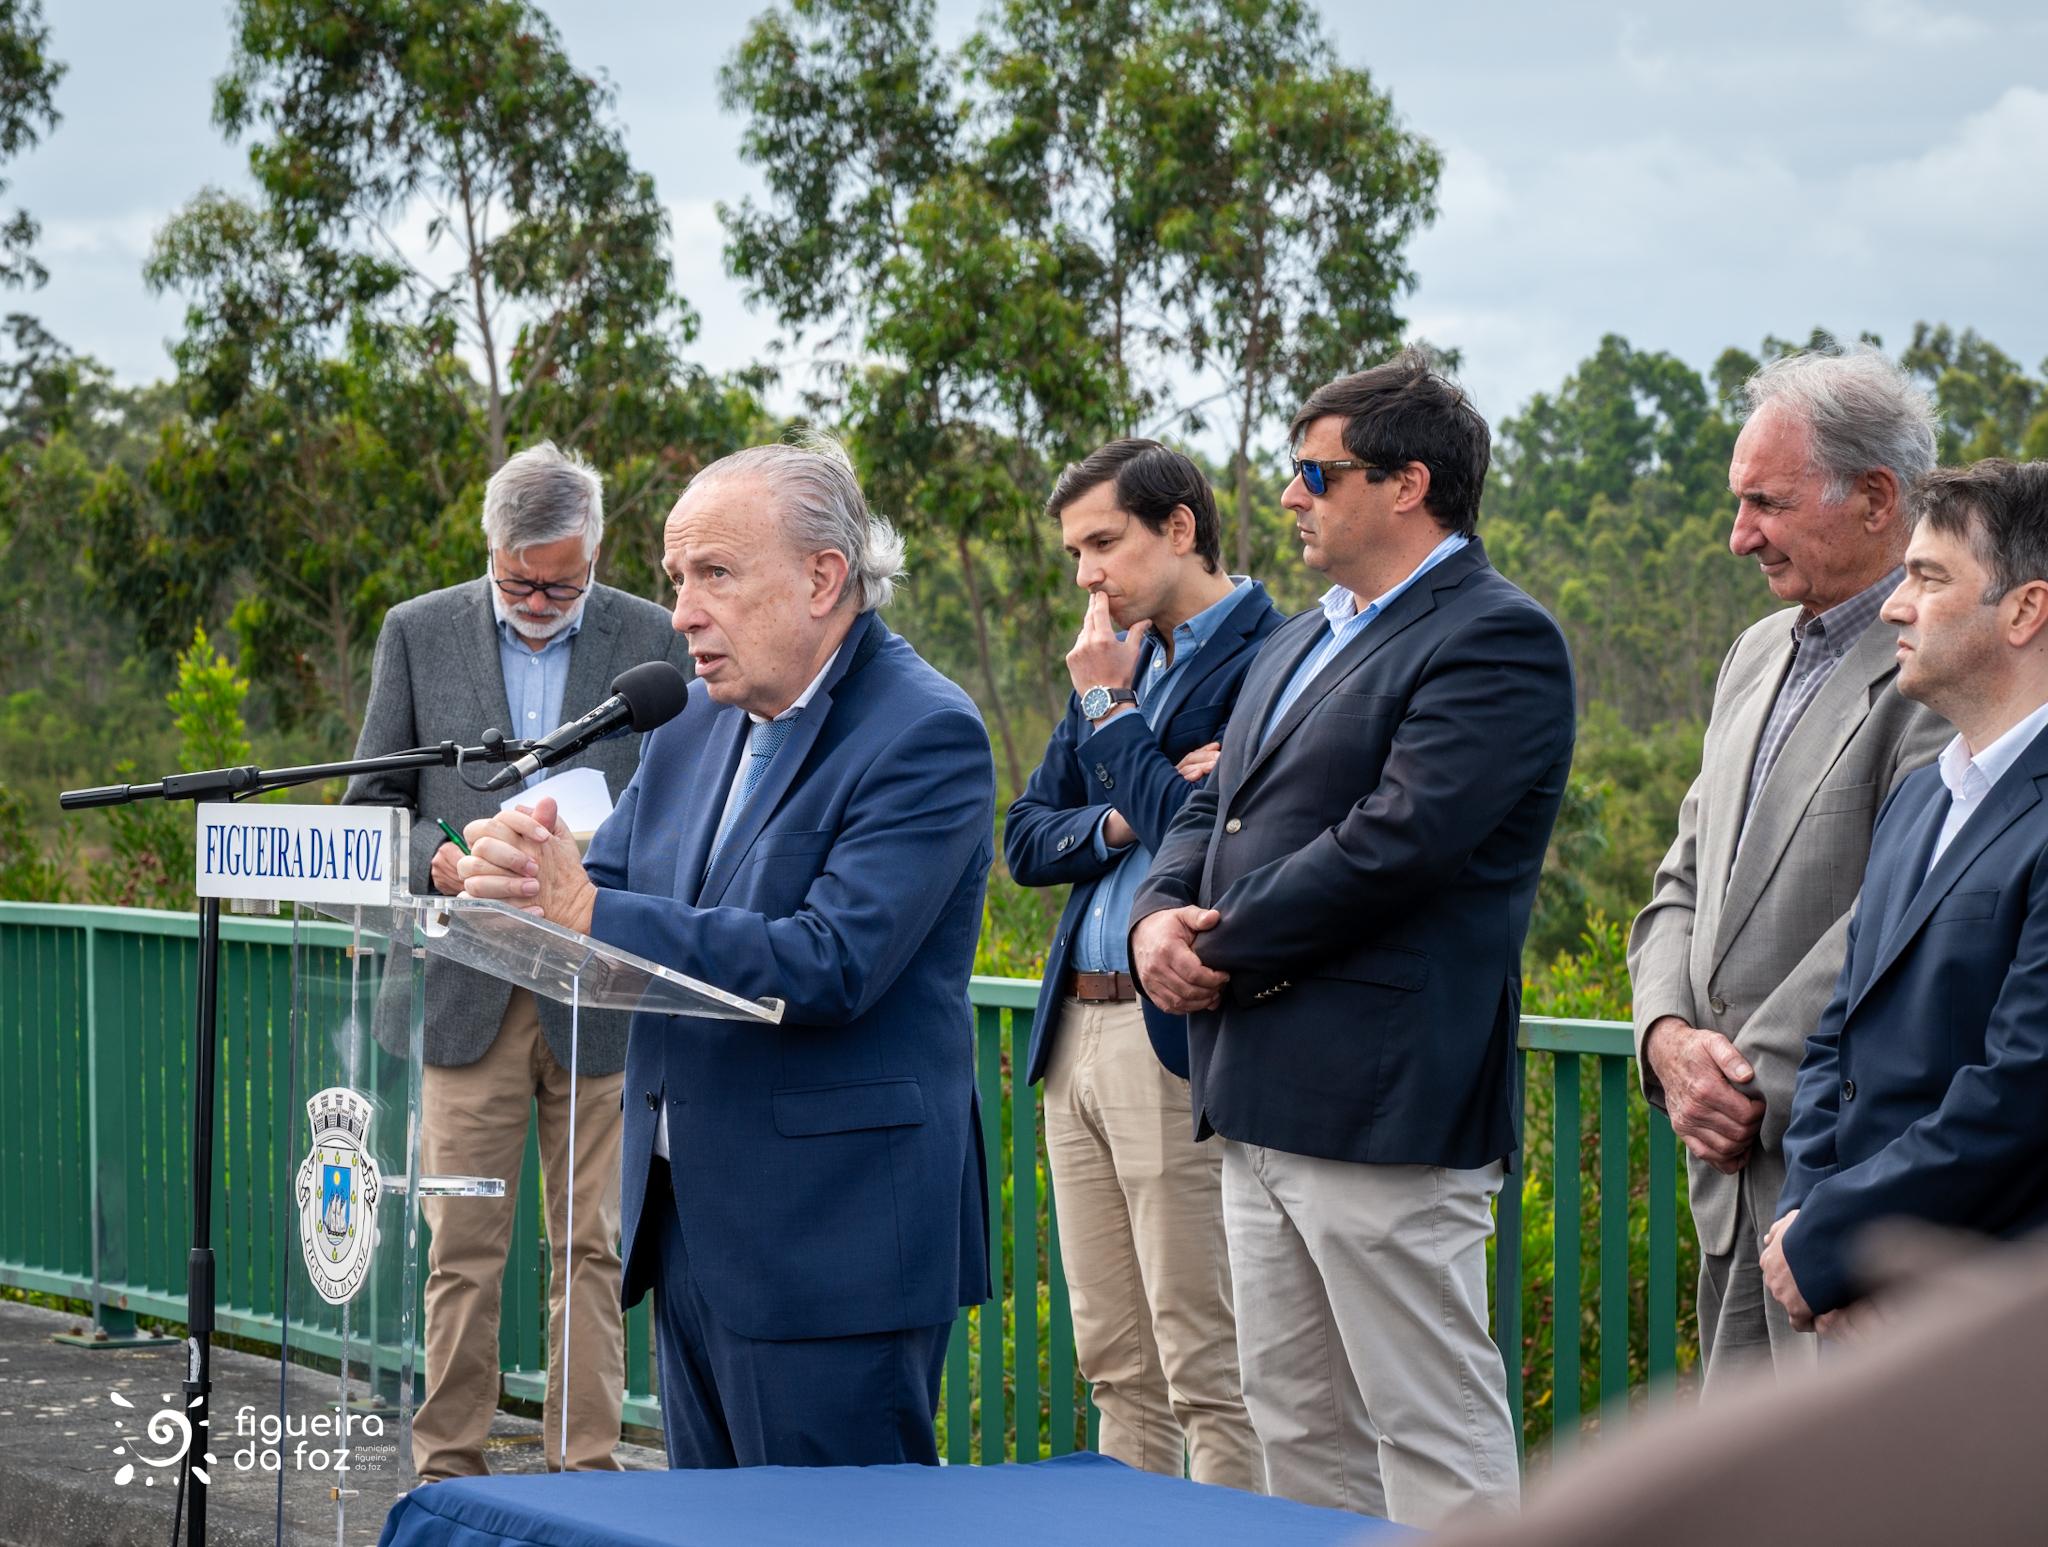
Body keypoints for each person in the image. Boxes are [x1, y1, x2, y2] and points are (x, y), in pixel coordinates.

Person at [456, 434, 995, 1470]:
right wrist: (523, 876)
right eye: (676, 577)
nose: (682, 612)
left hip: (832, 1241)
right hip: (687, 1220)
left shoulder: (925, 731)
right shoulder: (693, 721)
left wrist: (587, 908)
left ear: (822, 578)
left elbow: (832, 959)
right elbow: (607, 885)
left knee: (831, 1536)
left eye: (713, 573)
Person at [1128, 348, 1575, 1527]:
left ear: (1405, 483)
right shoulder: (1294, 640)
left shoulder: (1494, 637)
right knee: (1293, 1426)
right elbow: (1207, 806)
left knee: (1428, 1427)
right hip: (1253, 1091)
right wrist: (1152, 913)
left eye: (1314, 473)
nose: (1288, 495)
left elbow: (1397, 842)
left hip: (1383, 1102)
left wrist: (1212, 945)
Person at [344, 441, 686, 1480]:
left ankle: (584, 1471)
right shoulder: (417, 631)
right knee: (462, 1246)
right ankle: (447, 1467)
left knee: (595, 1247)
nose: (539, 602)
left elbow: (687, 808)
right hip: (465, 992)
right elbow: (370, 812)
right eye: (519, 581)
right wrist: (444, 863)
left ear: (596, 556)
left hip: (604, 992)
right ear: (489, 549)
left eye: (562, 585)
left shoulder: (654, 639)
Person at [1627, 349, 1944, 1386]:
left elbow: (1903, 911)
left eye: (1766, 503)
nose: (1738, 534)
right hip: (1725, 1178)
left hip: (1841, 1186)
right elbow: (1680, 877)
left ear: (1875, 498)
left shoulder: (1939, 667)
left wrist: (1739, 1079)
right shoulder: (1754, 652)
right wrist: (1666, 1040)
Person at [1003, 439, 1281, 1488]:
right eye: (1074, 552)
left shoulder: (1273, 654)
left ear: (1179, 527)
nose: (1086, 576)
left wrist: (1113, 723)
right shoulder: (1115, 659)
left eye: (1102, 543)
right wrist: (1128, 802)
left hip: (1174, 1034)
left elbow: (1213, 840)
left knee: (1205, 1357)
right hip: (1072, 1030)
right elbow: (1025, 838)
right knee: (1114, 1358)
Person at [1763, 459, 2048, 1330]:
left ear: (2025, 610)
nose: (1895, 605)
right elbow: (1836, 1038)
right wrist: (1806, 1225)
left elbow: (2021, 1094)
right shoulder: (1920, 797)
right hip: (1860, 1302)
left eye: (1927, 578)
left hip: (1986, 1316)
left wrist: (1835, 1243)